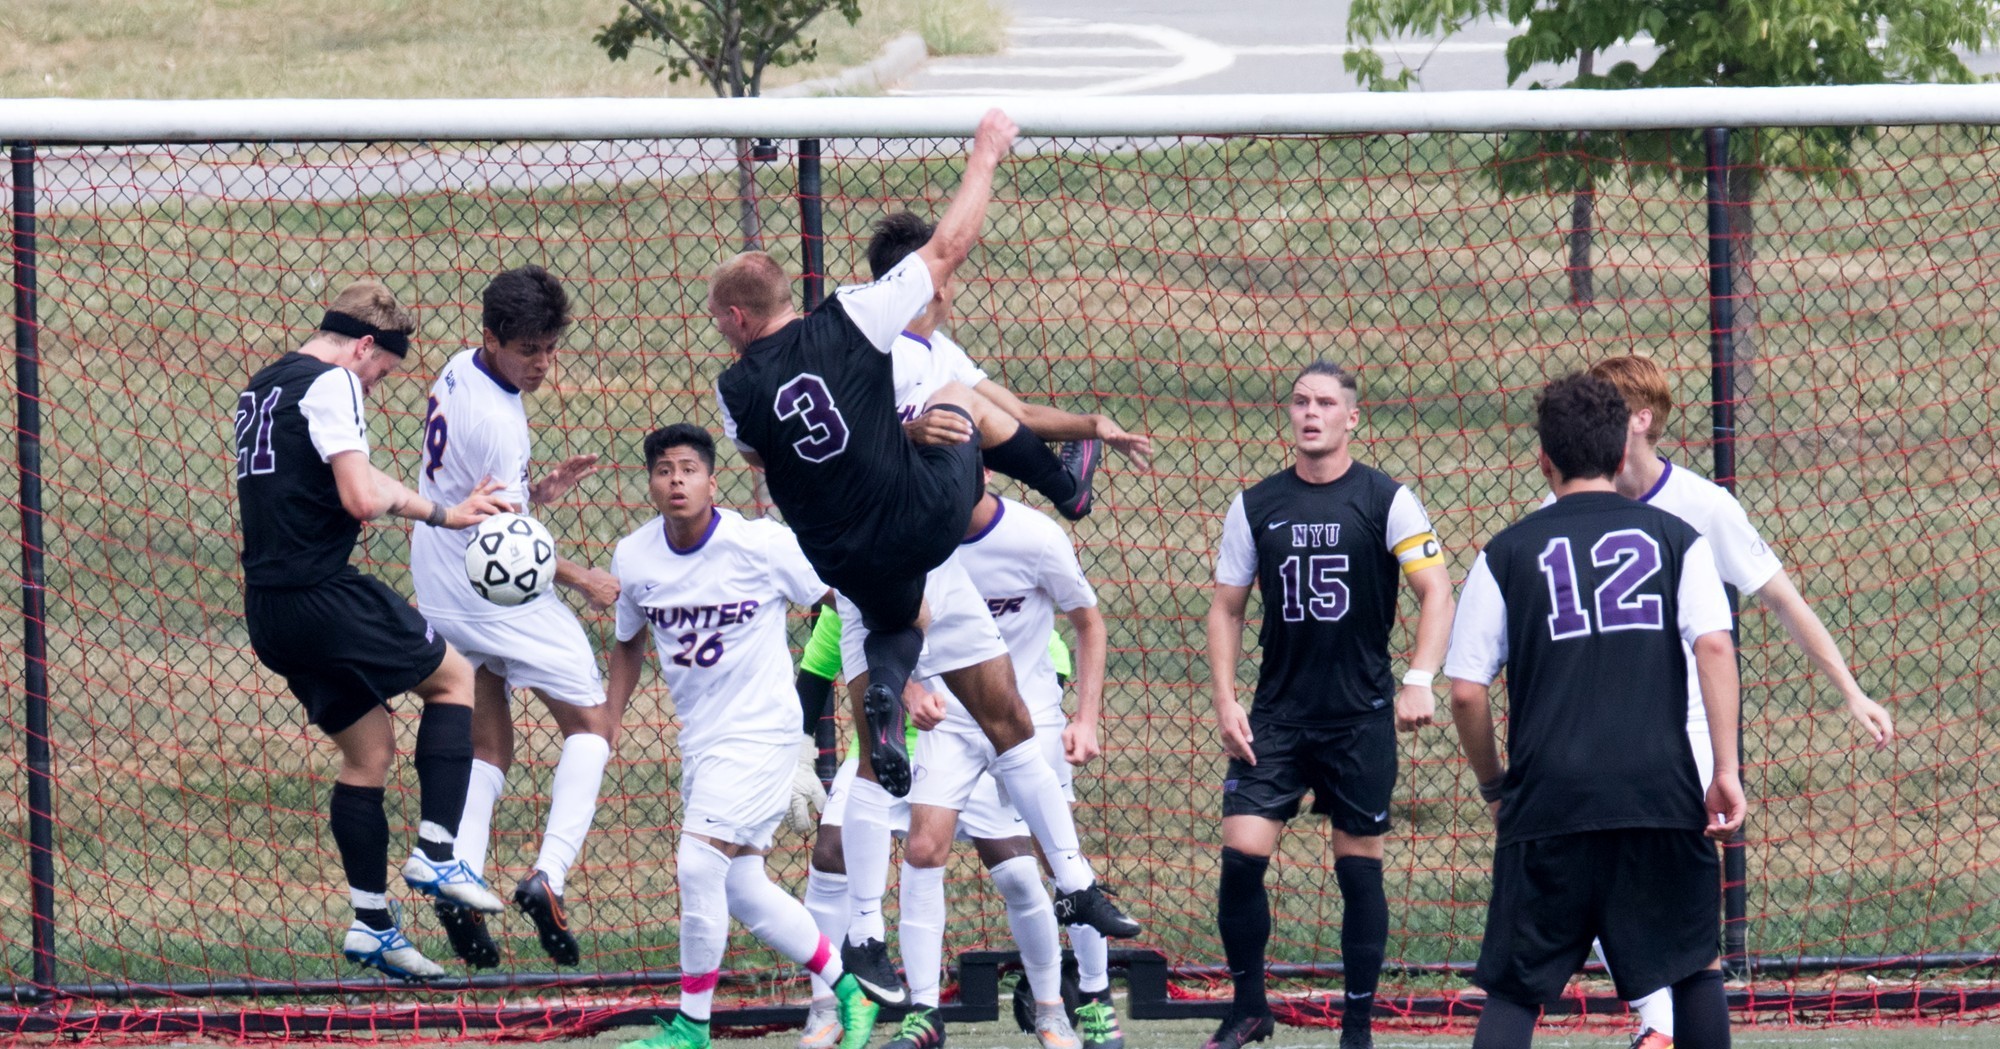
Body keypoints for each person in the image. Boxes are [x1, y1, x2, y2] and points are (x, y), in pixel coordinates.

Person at [713, 108, 1086, 798]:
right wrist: (986, 151)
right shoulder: (854, 315)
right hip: (929, 517)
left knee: (901, 618)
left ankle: (888, 688)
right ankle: (1066, 486)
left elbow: (767, 461)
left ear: (736, 318)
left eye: (719, 322)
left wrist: (876, 435)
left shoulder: (731, 391)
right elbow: (949, 246)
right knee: (959, 398)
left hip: (842, 560)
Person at [1567, 354, 1894, 1048]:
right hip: (1590, 730)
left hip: (1682, 729)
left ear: (1641, 420)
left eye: (1603, 405)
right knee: (1583, 878)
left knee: (1676, 890)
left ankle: (1662, 1023)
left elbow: (1783, 599)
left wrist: (1852, 690)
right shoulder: (1566, 506)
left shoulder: (1705, 506)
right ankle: (1657, 1020)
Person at [1445, 372, 1746, 1049]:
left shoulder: (1506, 552)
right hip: (1659, 793)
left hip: (1549, 798)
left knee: (1516, 989)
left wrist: (1495, 786)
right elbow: (1715, 647)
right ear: (1619, 454)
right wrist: (1725, 769)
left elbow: (1466, 689)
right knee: (1693, 966)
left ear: (1544, 459)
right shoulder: (1677, 538)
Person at [234, 280, 512, 980]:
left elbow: (346, 478)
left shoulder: (264, 384)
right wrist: (440, 513)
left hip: (270, 610)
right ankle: (439, 853)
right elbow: (360, 497)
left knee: (369, 752)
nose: (374, 387)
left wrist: (442, 511)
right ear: (364, 346)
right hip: (321, 593)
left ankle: (372, 925)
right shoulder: (334, 383)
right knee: (454, 677)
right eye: (380, 374)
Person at [1202, 361, 1455, 1049]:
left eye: (1324, 403)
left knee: (1358, 869)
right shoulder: (1256, 504)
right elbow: (1226, 608)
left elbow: (1436, 588)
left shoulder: (1386, 499)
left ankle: (1357, 1026)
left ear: (1352, 417)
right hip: (1276, 718)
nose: (1310, 413)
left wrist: (1419, 677)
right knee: (1241, 856)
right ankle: (1249, 1007)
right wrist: (1226, 700)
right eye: (1300, 402)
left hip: (1359, 719)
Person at [605, 425, 876, 1049]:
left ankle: (691, 1028)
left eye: (688, 469)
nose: (676, 480)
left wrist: (885, 675)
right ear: (650, 483)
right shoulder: (634, 556)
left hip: (762, 732)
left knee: (698, 862)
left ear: (711, 480)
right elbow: (627, 641)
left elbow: (838, 599)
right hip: (701, 740)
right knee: (742, 886)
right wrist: (609, 721)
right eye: (664, 470)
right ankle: (850, 992)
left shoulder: (762, 544)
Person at [409, 265, 623, 968]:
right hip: (490, 593)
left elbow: (480, 493)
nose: (542, 363)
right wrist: (585, 578)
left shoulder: (458, 368)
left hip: (439, 581)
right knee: (592, 724)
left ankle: (461, 876)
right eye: (529, 350)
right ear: (492, 337)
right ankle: (548, 876)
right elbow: (508, 544)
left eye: (551, 348)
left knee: (487, 743)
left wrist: (537, 490)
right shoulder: (498, 422)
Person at [864, 483, 1120, 1049]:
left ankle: (1092, 999)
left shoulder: (1034, 537)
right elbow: (881, 629)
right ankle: (924, 1013)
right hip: (951, 725)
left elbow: (1089, 623)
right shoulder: (911, 538)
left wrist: (1086, 719)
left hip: (1027, 721)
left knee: (1052, 862)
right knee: (923, 849)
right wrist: (910, 689)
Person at [862, 209, 1153, 486]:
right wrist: (908, 433)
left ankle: (1066, 487)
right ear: (938, 286)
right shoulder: (871, 347)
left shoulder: (942, 352)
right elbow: (846, 433)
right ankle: (1064, 487)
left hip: (924, 492)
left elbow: (1019, 414)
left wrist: (1094, 425)